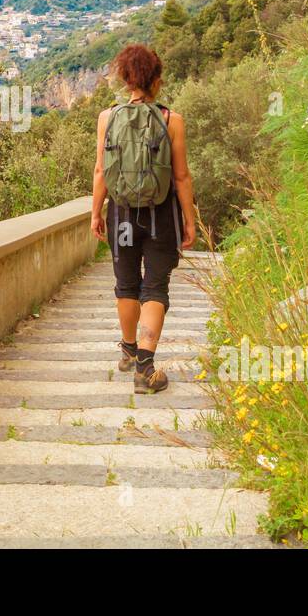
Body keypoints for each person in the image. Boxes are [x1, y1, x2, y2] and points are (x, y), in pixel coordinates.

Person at [90, 44, 197, 394]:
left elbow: (101, 170)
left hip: (120, 214)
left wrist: (96, 213)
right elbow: (181, 177)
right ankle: (145, 369)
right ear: (157, 81)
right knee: (154, 287)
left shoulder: (108, 117)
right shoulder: (171, 120)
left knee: (126, 285)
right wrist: (190, 220)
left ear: (125, 78)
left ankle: (128, 350)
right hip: (161, 215)